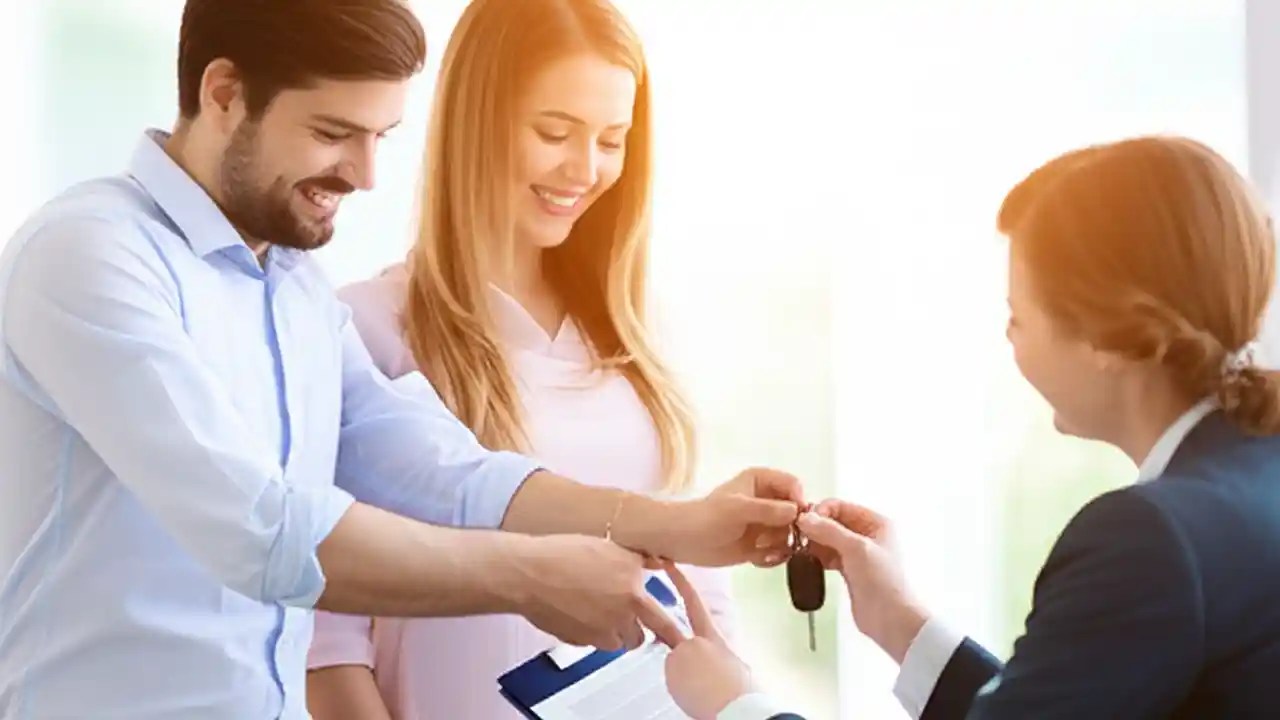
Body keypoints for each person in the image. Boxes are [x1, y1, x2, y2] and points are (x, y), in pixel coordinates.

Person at [0, 2, 804, 718]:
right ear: (222, 92)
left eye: (380, 136)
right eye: (332, 133)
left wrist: (674, 523)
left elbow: (440, 468)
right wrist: (531, 576)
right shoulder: (93, 253)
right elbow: (265, 533)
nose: (366, 174)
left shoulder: (293, 290)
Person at [661, 135, 1280, 719]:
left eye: (1019, 317)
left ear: (1106, 340)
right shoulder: (1255, 471)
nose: (1009, 338)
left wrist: (736, 704)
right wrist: (899, 622)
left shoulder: (1149, 539)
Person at [303, 1, 742, 717]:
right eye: (555, 132)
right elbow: (328, 645)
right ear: (476, 120)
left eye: (612, 139)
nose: (586, 169)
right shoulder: (365, 329)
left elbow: (700, 597)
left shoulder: (640, 334)